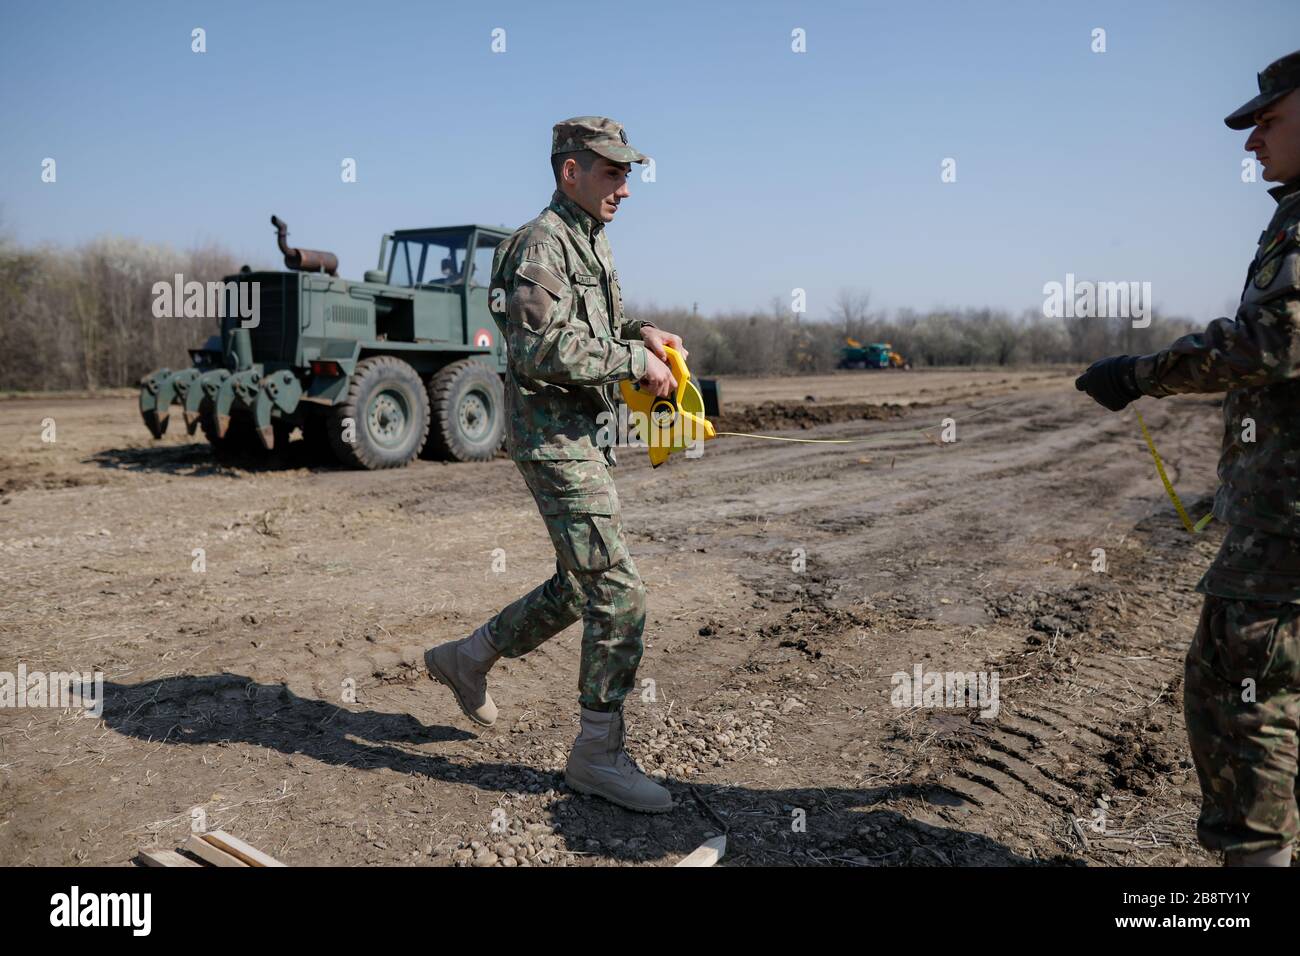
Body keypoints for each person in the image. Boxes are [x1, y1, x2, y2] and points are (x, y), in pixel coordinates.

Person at [1076, 50, 1300, 867]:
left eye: (1267, 122)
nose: (1251, 143)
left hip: (1287, 532)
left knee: (1245, 694)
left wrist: (1140, 374)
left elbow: (1273, 343)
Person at [425, 116, 686, 813]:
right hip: (553, 441)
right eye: (612, 172)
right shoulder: (539, 245)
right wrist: (636, 361)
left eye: (628, 174)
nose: (626, 188)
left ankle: (470, 657)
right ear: (570, 171)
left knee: (579, 587)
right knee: (619, 591)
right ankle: (597, 757)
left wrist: (642, 333)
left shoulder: (588, 242)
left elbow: (591, 327)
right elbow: (540, 349)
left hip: (583, 437)